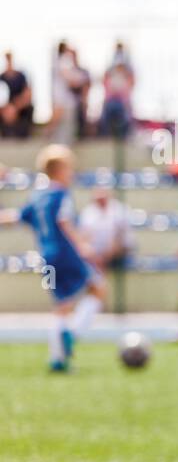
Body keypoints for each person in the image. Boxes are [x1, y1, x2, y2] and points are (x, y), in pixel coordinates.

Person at [0, 145, 105, 371]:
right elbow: (64, 222)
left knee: (62, 306)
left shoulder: (37, 196)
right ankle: (73, 333)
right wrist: (83, 246)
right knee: (98, 287)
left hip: (46, 258)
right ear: (59, 170)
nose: (72, 174)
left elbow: (15, 217)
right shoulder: (60, 193)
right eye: (69, 169)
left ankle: (57, 359)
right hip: (66, 254)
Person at [79, 177, 133, 273]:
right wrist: (93, 256)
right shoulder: (87, 212)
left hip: (117, 257)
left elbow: (122, 240)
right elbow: (84, 237)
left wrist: (105, 257)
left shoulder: (120, 210)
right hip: (95, 258)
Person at [1, 52, 35, 138]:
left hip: (19, 105)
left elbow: (27, 94)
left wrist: (15, 107)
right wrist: (6, 108)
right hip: (5, 107)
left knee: (29, 108)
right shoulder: (2, 76)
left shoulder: (21, 76)